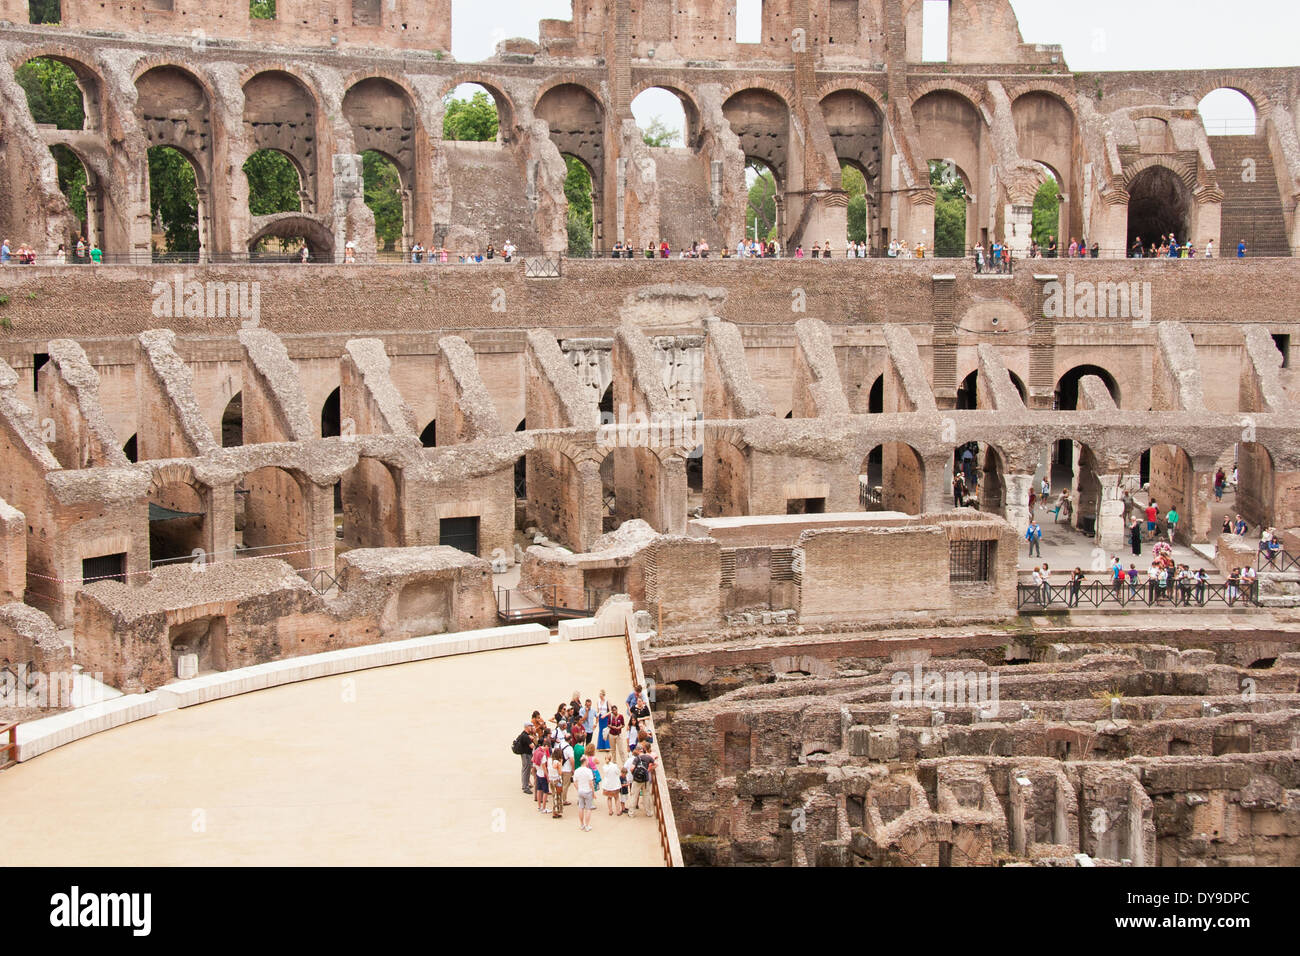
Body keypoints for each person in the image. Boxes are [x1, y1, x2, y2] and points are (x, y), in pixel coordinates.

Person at [627, 745, 655, 817]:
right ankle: (648, 812)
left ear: (638, 750)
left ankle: (631, 813)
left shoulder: (636, 758)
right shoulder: (648, 757)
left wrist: (634, 774)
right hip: (645, 780)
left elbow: (631, 768)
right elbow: (655, 764)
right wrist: (648, 770)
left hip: (637, 780)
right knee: (646, 795)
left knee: (634, 795)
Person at [572, 753, 596, 831]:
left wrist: (578, 789)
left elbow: (575, 782)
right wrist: (593, 792)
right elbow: (591, 783)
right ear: (585, 761)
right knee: (588, 809)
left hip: (581, 790)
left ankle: (582, 824)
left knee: (581, 807)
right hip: (588, 791)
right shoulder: (588, 771)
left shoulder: (577, 771)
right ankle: (587, 825)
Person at [513, 722, 536, 794]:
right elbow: (532, 746)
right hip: (526, 755)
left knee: (525, 769)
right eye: (530, 726)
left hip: (525, 754)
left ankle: (525, 785)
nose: (531, 728)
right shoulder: (526, 736)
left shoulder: (524, 735)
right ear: (526, 727)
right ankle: (525, 787)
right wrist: (534, 739)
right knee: (526, 770)